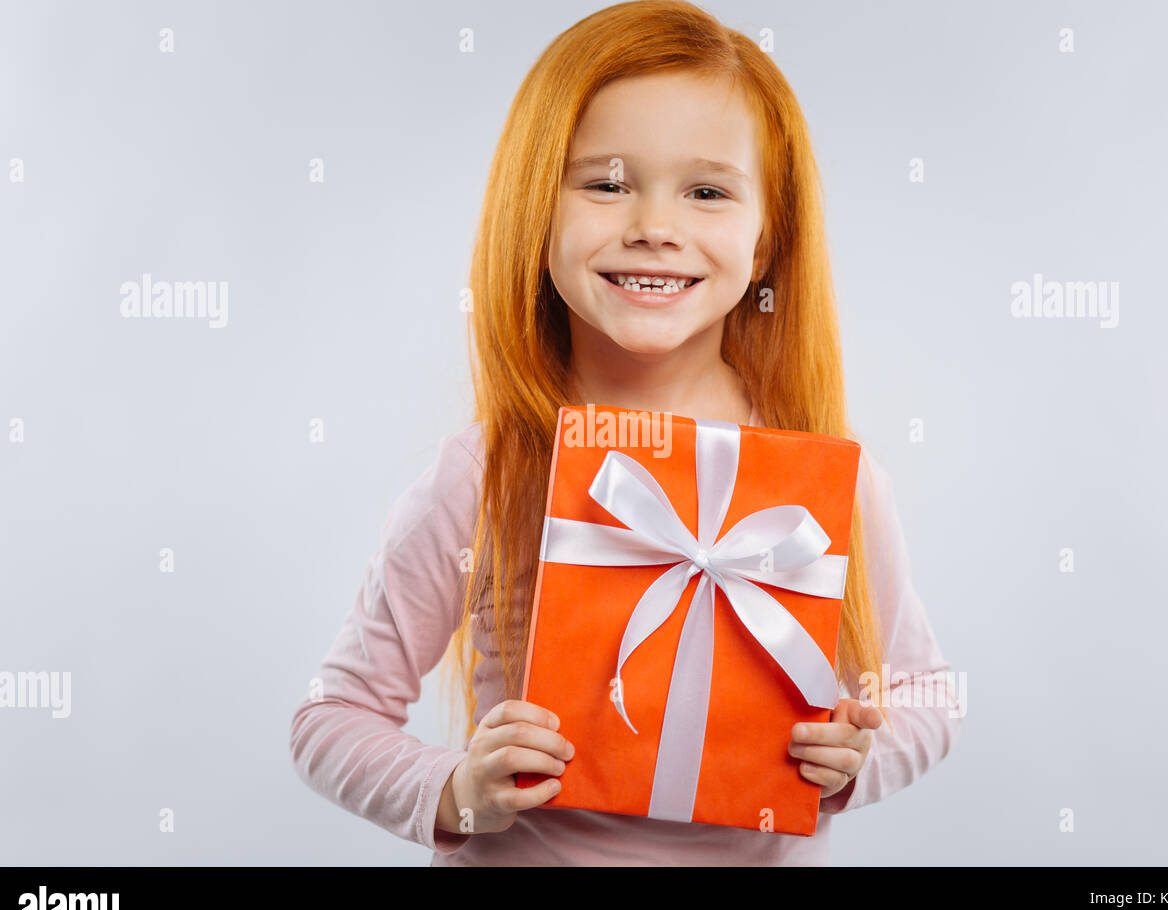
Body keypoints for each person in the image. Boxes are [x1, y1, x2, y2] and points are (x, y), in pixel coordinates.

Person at [289, 0, 961, 866]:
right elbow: (330, 716)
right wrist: (455, 790)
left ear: (764, 244)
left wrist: (857, 760)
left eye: (708, 191)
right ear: (538, 213)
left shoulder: (826, 480)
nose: (655, 225)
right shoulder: (488, 472)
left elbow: (930, 695)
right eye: (605, 183)